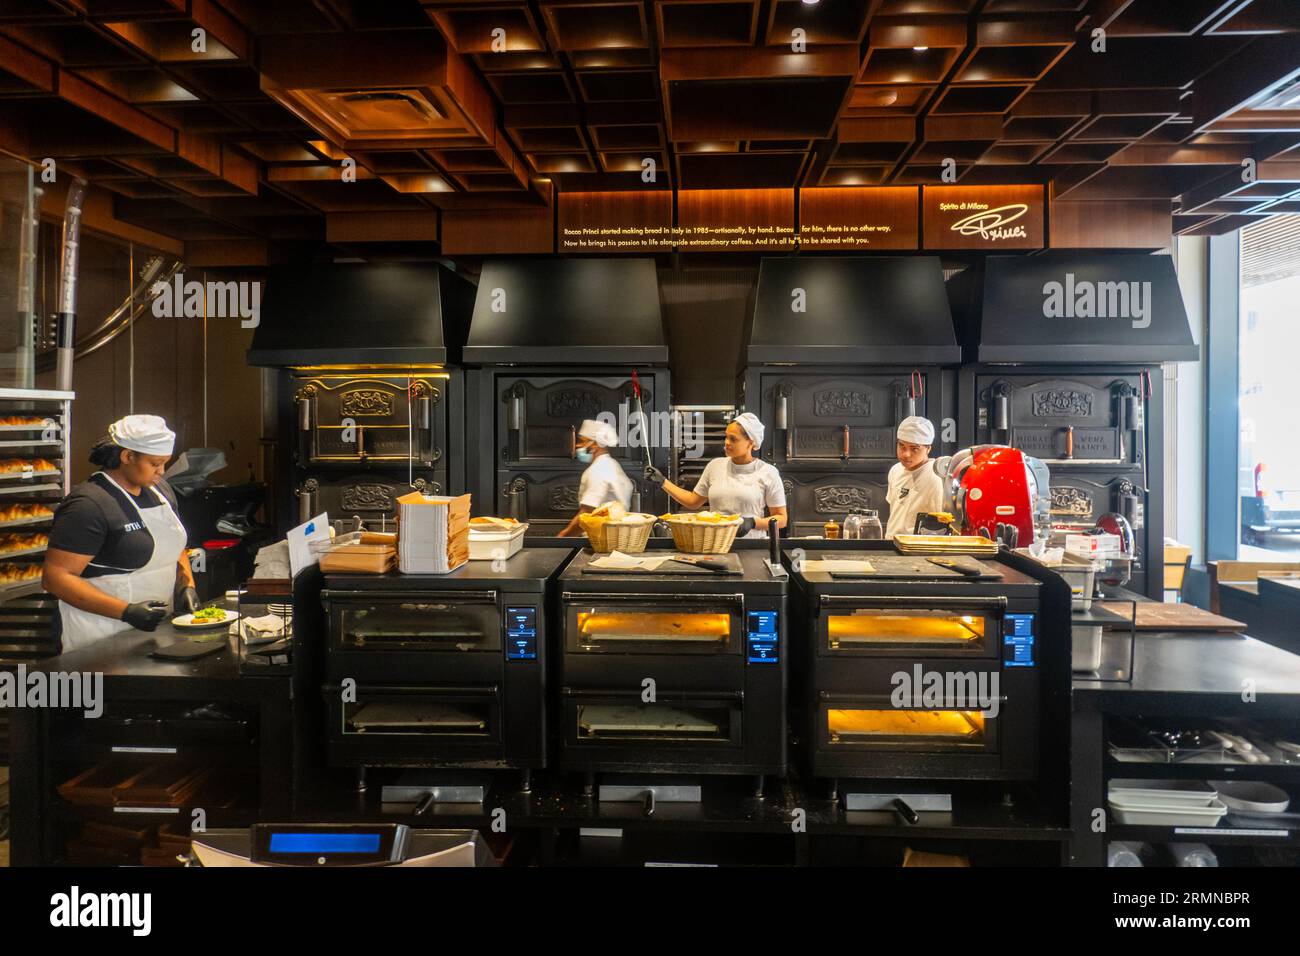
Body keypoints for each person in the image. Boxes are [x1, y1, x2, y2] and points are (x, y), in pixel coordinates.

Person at [42, 414, 196, 651]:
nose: (162, 471)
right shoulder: (88, 505)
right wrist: (125, 611)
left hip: (153, 631)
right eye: (155, 464)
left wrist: (186, 585)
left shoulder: (160, 490)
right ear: (127, 456)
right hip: (99, 634)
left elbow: (174, 545)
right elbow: (56, 578)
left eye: (164, 462)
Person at [645, 412, 787, 537]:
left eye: (733, 439)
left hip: (752, 546)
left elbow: (781, 519)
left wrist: (753, 522)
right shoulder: (715, 466)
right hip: (715, 542)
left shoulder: (768, 472)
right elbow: (693, 501)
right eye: (726, 437)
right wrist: (662, 481)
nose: (726, 443)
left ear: (751, 442)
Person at [557, 418, 634, 537]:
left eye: (583, 441)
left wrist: (563, 536)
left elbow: (587, 512)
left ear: (595, 444)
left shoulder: (599, 470)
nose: (578, 445)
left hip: (601, 538)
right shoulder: (611, 464)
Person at [885, 415, 945, 539]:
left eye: (914, 449)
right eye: (902, 446)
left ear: (928, 449)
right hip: (890, 542)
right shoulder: (895, 470)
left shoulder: (935, 477)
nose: (906, 454)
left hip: (917, 546)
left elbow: (941, 522)